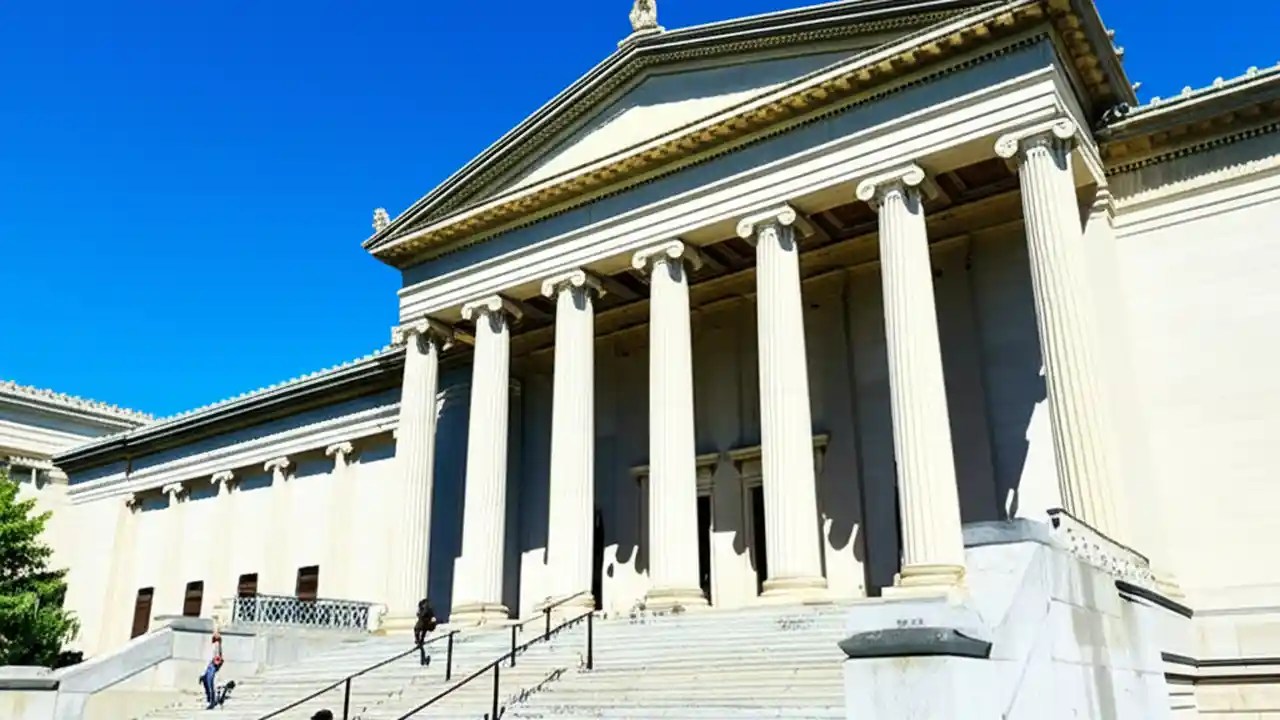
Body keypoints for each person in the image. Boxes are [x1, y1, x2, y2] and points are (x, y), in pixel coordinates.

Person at [200, 630, 223, 709]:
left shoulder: (217, 645)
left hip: (212, 665)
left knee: (210, 683)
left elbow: (218, 657)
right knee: (206, 681)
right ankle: (210, 698)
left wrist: (216, 663)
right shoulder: (212, 645)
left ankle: (211, 701)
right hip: (209, 665)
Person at [414, 598, 437, 667]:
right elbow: (419, 615)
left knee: (422, 641)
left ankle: (425, 659)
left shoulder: (428, 610)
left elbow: (425, 616)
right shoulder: (423, 610)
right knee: (418, 633)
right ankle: (424, 659)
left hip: (426, 627)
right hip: (423, 627)